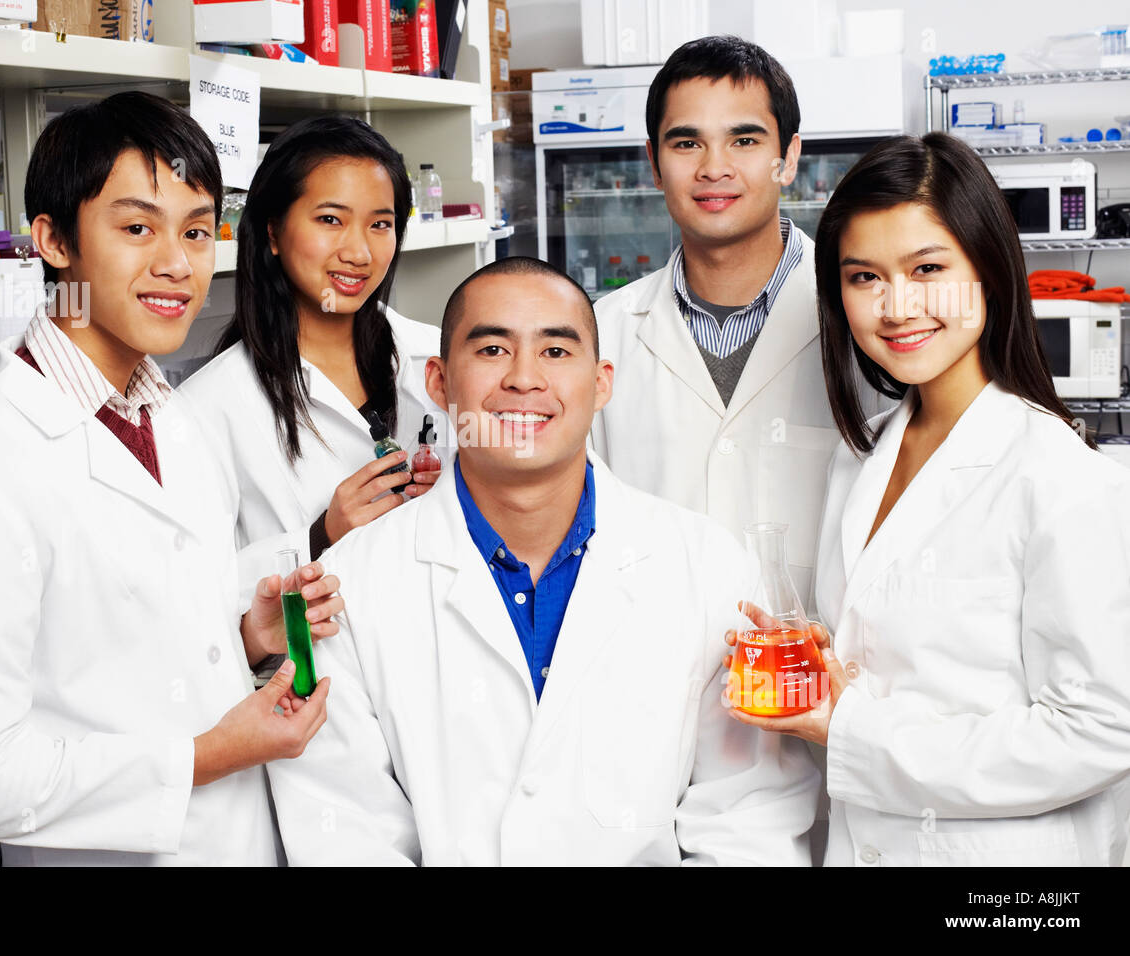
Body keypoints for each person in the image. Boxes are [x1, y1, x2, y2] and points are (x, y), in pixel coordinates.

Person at [0, 92, 340, 867]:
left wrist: (246, 633)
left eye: (197, 231)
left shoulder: (170, 418)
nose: (176, 263)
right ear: (54, 239)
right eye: (137, 228)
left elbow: (124, 656)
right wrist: (205, 755)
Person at [265, 257, 820, 865]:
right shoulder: (353, 585)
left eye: (556, 352)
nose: (525, 379)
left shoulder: (708, 568)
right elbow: (344, 831)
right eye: (492, 350)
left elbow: (747, 816)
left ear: (603, 381)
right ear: (440, 381)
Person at [728, 132, 1130, 866]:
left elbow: (1103, 731)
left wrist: (854, 729)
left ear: (987, 270)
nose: (896, 306)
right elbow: (917, 666)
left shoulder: (1060, 477)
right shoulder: (864, 459)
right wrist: (827, 668)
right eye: (863, 277)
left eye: (927, 269)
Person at [591, 35, 871, 606]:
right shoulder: (602, 332)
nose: (714, 168)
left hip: (816, 678)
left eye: (744, 140)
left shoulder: (864, 320)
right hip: (652, 672)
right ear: (653, 162)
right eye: (687, 142)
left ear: (788, 158)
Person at [180, 117, 447, 601]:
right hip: (319, 671)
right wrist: (321, 535)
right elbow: (194, 598)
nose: (359, 251)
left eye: (380, 224)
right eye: (330, 219)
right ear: (273, 232)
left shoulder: (438, 360)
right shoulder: (206, 407)